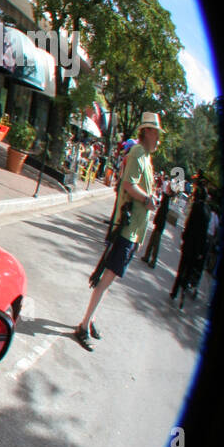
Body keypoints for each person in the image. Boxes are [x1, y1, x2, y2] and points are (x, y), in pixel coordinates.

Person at [74, 112, 162, 350]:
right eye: (157, 133)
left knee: (109, 279)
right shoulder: (137, 154)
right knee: (107, 278)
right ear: (148, 132)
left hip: (133, 232)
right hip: (125, 229)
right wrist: (148, 199)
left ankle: (89, 320)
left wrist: (141, 237)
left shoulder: (146, 158)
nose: (159, 139)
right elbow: (127, 185)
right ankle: (83, 325)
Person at [171, 179, 209, 308]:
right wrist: (200, 251)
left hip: (189, 244)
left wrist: (184, 237)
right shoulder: (207, 212)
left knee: (182, 268)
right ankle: (182, 294)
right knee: (188, 272)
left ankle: (174, 291)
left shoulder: (196, 208)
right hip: (196, 248)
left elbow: (189, 225)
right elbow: (204, 235)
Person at [142, 174, 174, 266]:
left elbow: (162, 214)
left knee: (156, 243)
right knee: (152, 241)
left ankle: (153, 260)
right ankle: (147, 256)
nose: (166, 186)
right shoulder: (166, 198)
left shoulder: (167, 199)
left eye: (168, 187)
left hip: (160, 224)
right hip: (159, 223)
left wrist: (156, 221)